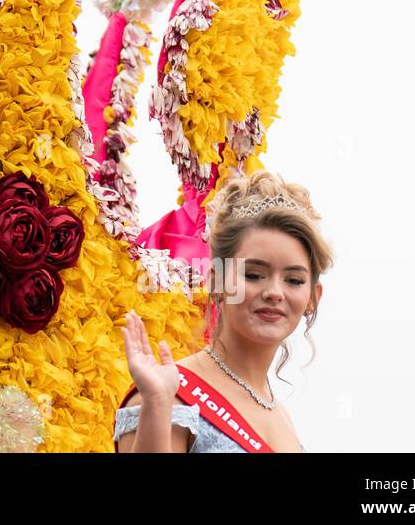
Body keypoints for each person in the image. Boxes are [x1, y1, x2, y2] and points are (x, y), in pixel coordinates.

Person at [114, 170, 333, 453]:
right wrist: (156, 405)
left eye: (294, 280)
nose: (274, 292)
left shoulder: (282, 418)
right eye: (253, 275)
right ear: (216, 280)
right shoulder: (168, 392)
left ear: (313, 298)